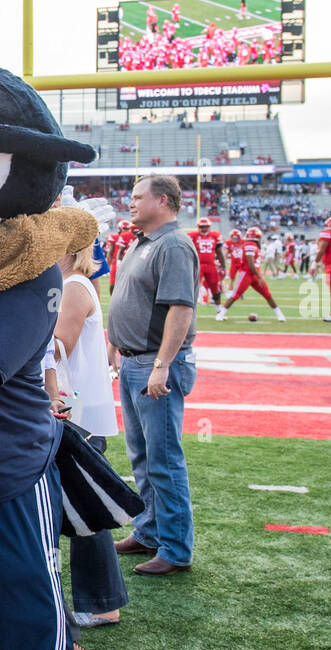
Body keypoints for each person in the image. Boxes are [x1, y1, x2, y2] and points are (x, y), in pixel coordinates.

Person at [107, 174, 199, 576]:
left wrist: (162, 364)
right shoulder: (143, 242)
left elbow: (181, 309)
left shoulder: (173, 244)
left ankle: (175, 548)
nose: (130, 202)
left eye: (137, 196)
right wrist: (115, 344)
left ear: (162, 200)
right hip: (135, 361)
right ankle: (149, 531)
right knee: (142, 457)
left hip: (154, 363)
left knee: (163, 460)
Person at [49, 242, 128, 650]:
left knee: (85, 510)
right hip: (76, 408)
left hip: (76, 411)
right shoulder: (71, 284)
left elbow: (58, 345)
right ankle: (101, 600)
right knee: (82, 510)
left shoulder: (75, 286)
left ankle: (102, 603)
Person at [219, 226, 286, 322]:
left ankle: (280, 314)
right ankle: (221, 314)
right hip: (247, 274)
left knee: (267, 294)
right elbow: (250, 263)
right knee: (235, 295)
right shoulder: (250, 245)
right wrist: (259, 277)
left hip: (254, 274)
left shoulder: (252, 245)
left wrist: (258, 275)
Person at [188, 217, 225, 312]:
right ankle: (189, 308)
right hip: (197, 265)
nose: (204, 229)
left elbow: (219, 252)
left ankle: (219, 308)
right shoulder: (192, 236)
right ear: (198, 227)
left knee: (215, 287)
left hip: (211, 265)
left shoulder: (215, 235)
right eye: (202, 227)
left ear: (209, 227)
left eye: (206, 227)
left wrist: (223, 265)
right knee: (192, 287)